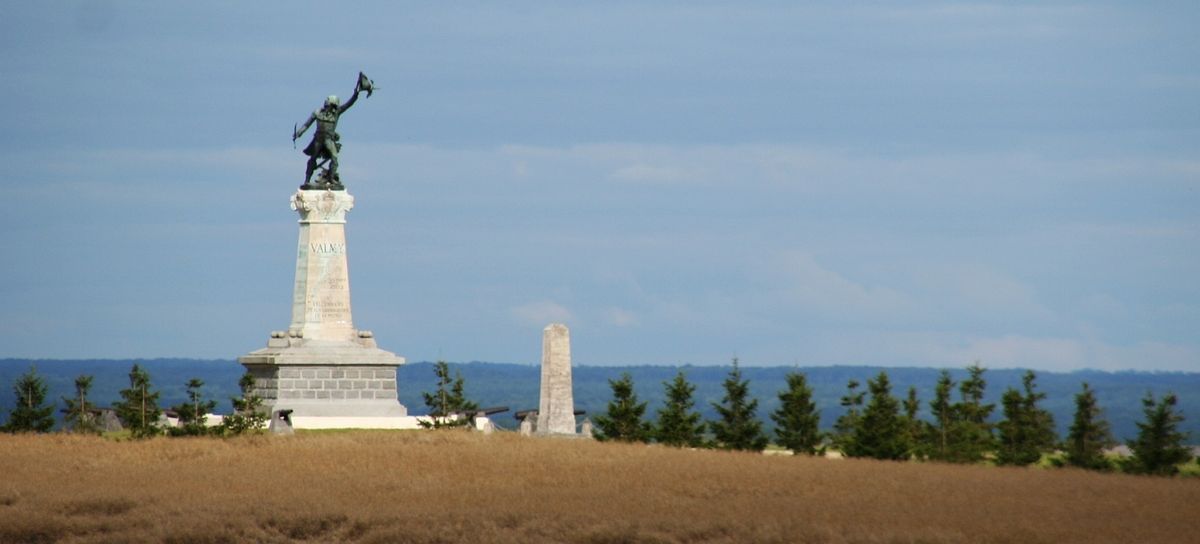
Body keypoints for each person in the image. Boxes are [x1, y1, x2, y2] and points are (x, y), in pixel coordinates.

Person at [293, 73, 373, 186]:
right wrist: (298, 133)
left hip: (328, 140)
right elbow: (307, 125)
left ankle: (331, 179)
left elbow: (349, 104)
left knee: (334, 158)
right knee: (313, 159)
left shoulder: (336, 114)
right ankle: (307, 180)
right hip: (318, 139)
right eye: (332, 106)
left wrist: (356, 94)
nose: (333, 108)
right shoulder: (317, 112)